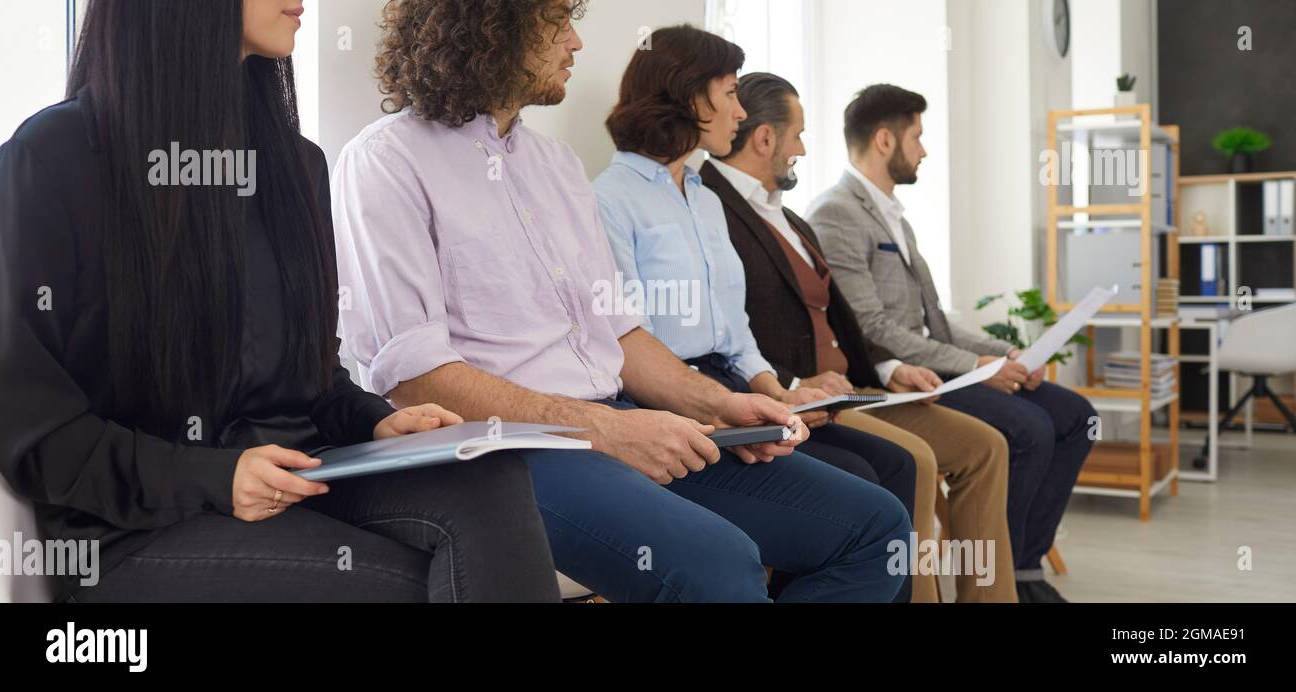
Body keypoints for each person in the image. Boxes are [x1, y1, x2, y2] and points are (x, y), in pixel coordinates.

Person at [331, 0, 911, 603]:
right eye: (558, 21)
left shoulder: (556, 165)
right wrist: (607, 430)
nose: (576, 42)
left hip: (614, 416)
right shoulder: (385, 162)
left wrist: (723, 402)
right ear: (491, 24)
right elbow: (415, 378)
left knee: (875, 527)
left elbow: (620, 334)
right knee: (718, 564)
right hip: (505, 450)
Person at [0, 0, 561, 603]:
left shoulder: (296, 166)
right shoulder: (53, 159)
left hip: (301, 473)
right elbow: (29, 422)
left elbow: (314, 383)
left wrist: (376, 420)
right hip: (139, 526)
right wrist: (213, 477)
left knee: (491, 476)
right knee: (412, 588)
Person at [593, 28, 920, 602]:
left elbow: (734, 326)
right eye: (730, 93)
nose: (740, 112)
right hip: (666, 403)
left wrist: (774, 390)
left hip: (732, 387)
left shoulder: (704, 197)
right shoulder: (608, 200)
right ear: (690, 97)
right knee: (874, 519)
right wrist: (725, 404)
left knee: (881, 502)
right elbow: (626, 341)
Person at [700, 72, 1017, 602]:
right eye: (798, 134)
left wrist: (888, 370)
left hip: (849, 388)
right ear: (765, 139)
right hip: (795, 398)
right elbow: (729, 332)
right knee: (908, 462)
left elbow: (849, 323)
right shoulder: (715, 209)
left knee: (986, 442)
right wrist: (792, 383)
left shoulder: (791, 219)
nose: (804, 147)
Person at [808, 83, 1097, 603]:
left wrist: (1001, 353)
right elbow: (872, 327)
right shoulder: (834, 213)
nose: (924, 149)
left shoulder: (896, 217)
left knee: (1075, 415)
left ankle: (1023, 567)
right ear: (883, 141)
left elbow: (935, 321)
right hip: (901, 375)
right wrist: (976, 364)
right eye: (917, 136)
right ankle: (996, 581)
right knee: (1028, 430)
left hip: (940, 361)